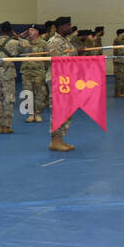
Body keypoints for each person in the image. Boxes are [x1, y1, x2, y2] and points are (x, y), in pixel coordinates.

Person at [0, 22, 28, 133]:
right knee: (9, 100)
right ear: (10, 31)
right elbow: (28, 49)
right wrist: (18, 37)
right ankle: (7, 126)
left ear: (0, 30)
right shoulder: (14, 43)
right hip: (8, 74)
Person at [47, 16, 77, 152]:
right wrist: (76, 52)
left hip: (66, 78)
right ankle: (55, 140)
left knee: (66, 110)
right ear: (60, 27)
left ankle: (60, 139)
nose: (70, 28)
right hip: (57, 79)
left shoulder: (66, 41)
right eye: (68, 25)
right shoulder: (54, 42)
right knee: (59, 109)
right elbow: (58, 60)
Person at [21, 25, 48, 122]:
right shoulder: (24, 42)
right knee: (28, 94)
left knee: (40, 94)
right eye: (29, 30)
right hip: (26, 71)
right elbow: (14, 42)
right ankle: (31, 114)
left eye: (32, 30)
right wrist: (21, 36)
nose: (30, 32)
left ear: (37, 32)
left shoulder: (44, 43)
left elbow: (47, 58)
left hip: (39, 72)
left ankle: (38, 113)